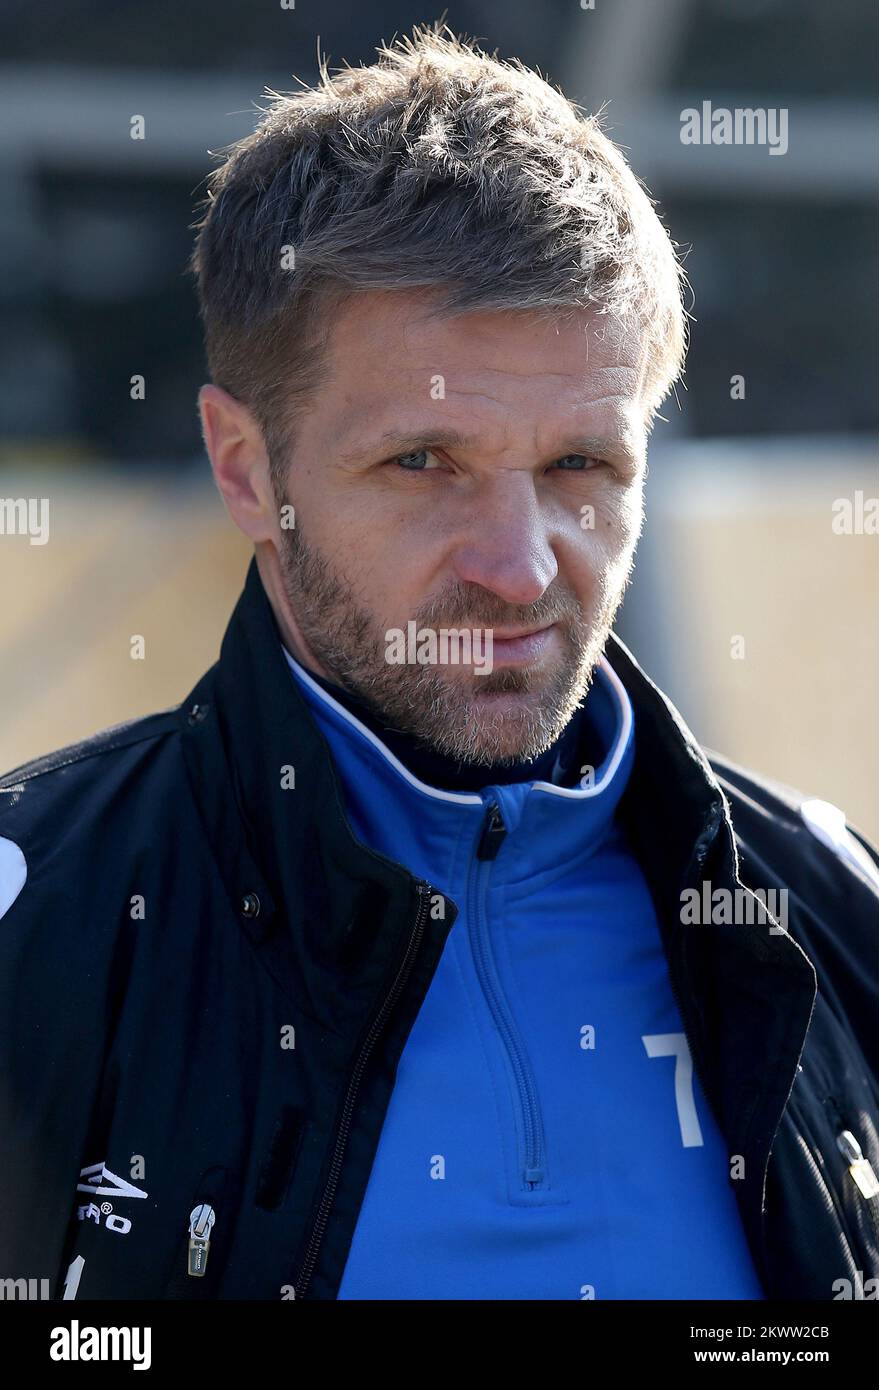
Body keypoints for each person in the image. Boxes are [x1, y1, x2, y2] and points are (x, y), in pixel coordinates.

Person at [1, 25, 878, 1302]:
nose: (523, 568)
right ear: (247, 468)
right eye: (424, 465)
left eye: (582, 467)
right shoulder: (44, 926)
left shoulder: (831, 909)